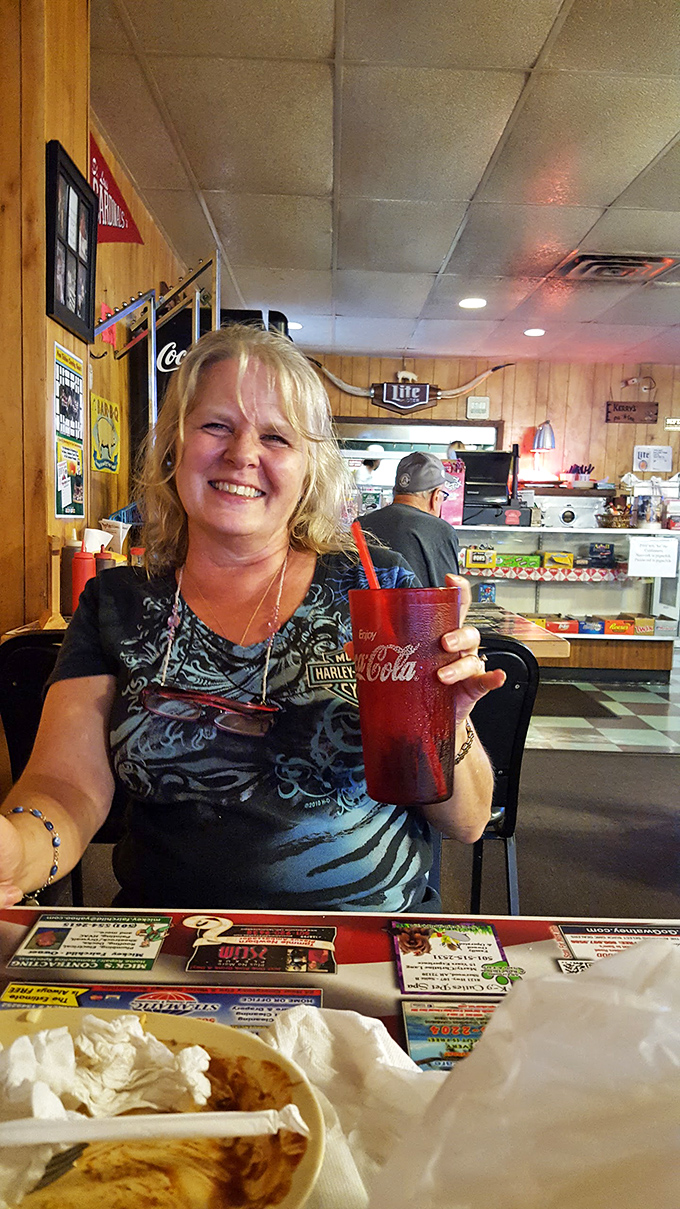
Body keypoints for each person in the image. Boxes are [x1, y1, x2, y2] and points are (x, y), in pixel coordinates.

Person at [0, 326, 503, 912]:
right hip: (171, 942)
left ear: (309, 467)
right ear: (175, 445)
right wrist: (16, 850)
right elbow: (64, 787)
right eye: (217, 425)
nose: (242, 453)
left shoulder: (377, 584)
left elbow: (466, 822)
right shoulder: (118, 602)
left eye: (276, 437)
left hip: (365, 943)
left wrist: (445, 723)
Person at [358, 451, 461, 586]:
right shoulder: (441, 531)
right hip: (418, 607)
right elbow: (446, 600)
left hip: (363, 607)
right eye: (443, 495)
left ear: (396, 491)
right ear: (435, 497)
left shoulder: (360, 525)